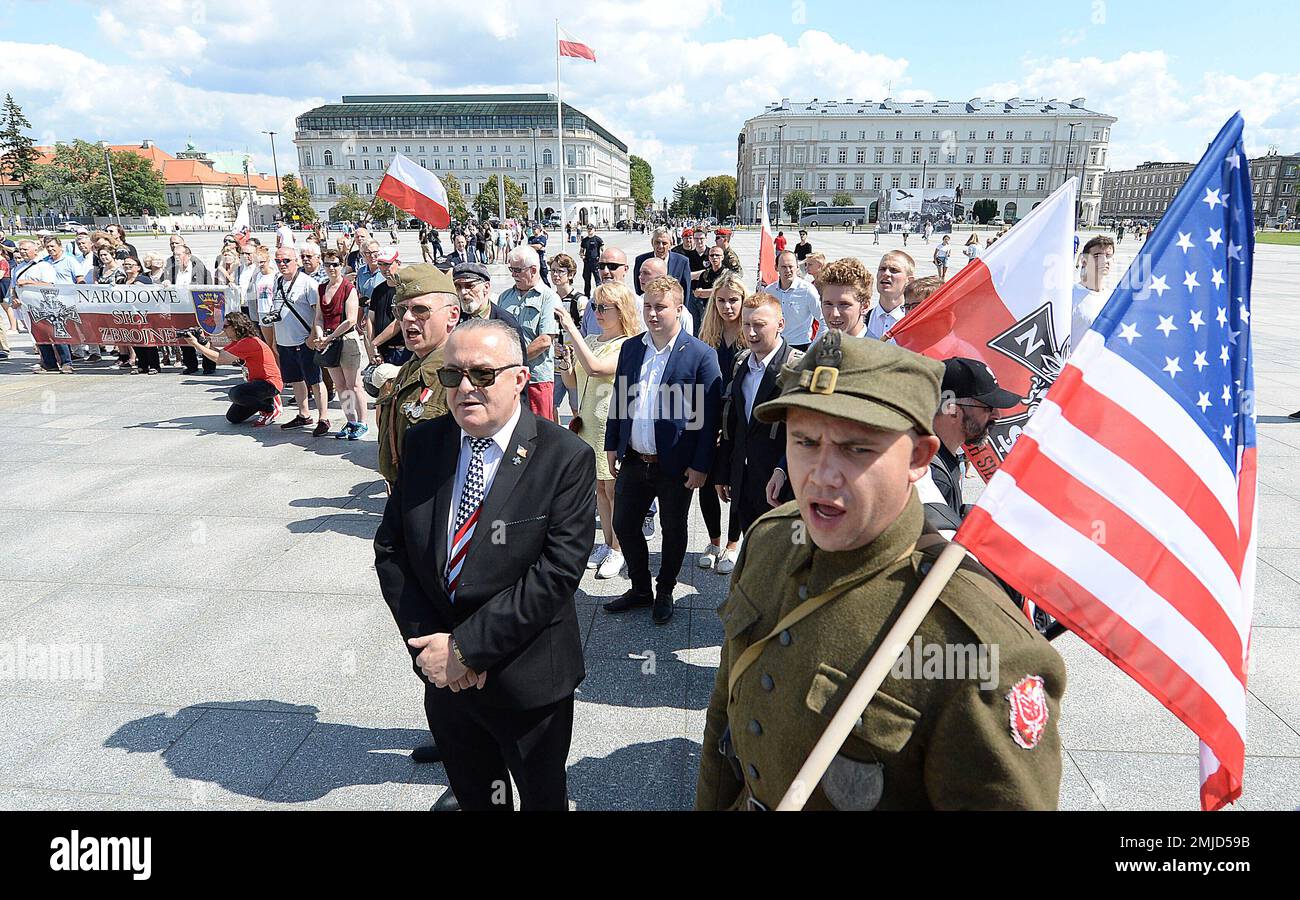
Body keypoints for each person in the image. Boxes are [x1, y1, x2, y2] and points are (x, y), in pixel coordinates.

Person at [695, 332, 1066, 811]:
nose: (821, 475)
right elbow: (725, 721)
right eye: (804, 441)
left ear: (918, 457)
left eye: (856, 449)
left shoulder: (980, 643)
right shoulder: (770, 539)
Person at [373, 318, 594, 812]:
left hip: (526, 681)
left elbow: (556, 573)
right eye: (452, 376)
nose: (465, 388)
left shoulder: (566, 457)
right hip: (444, 676)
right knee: (478, 798)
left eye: (483, 374)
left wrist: (468, 649)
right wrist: (435, 647)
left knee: (542, 799)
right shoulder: (426, 442)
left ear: (520, 378)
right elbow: (392, 549)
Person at [603, 274, 722, 624]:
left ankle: (665, 588)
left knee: (673, 530)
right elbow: (619, 399)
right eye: (648, 307)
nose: (652, 315)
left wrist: (701, 464)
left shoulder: (700, 354)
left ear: (679, 309)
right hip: (634, 459)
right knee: (623, 524)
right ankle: (641, 588)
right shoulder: (631, 348)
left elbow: (707, 417)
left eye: (661, 308)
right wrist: (612, 442)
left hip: (675, 464)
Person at [556, 281, 640, 580]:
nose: (597, 312)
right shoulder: (591, 339)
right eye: (595, 306)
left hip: (609, 423)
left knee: (614, 489)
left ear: (622, 310)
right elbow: (573, 383)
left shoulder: (628, 344)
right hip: (588, 422)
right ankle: (607, 543)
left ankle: (619, 549)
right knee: (599, 490)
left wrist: (570, 328)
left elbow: (595, 369)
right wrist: (564, 363)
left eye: (603, 307)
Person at [714, 291, 803, 541]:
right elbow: (733, 423)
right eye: (746, 325)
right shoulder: (741, 363)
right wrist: (724, 472)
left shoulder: (798, 367)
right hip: (745, 481)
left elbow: (804, 432)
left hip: (783, 485)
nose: (751, 333)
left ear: (780, 325)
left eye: (759, 325)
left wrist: (783, 471)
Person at [375, 264, 462, 487]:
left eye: (420, 310)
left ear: (452, 315)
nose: (408, 319)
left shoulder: (458, 375)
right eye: (401, 311)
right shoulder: (409, 369)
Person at [918, 357, 1020, 537]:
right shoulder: (932, 475)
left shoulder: (937, 458)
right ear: (953, 409)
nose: (997, 414)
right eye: (988, 407)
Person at [696, 271, 749, 573]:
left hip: (740, 418)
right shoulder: (708, 336)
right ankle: (714, 541)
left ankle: (732, 543)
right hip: (711, 417)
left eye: (734, 300)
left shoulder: (749, 333)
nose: (727, 307)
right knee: (706, 482)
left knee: (737, 482)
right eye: (721, 301)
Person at [268, 247, 331, 435]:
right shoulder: (278, 281)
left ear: (296, 261)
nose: (282, 264)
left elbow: (318, 313)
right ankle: (304, 414)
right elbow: (276, 311)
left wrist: (312, 337)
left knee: (315, 380)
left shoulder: (307, 283)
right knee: (295, 379)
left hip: (304, 340)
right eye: (278, 261)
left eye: (286, 260)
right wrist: (274, 340)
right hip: (285, 340)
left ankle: (324, 417)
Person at [183, 313, 284, 425]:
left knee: (236, 393)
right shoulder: (240, 341)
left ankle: (269, 409)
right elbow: (219, 353)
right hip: (258, 383)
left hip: (269, 383)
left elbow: (220, 359)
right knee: (233, 417)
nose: (223, 329)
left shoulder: (249, 342)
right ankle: (267, 401)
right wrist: (202, 340)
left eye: (226, 326)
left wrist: (196, 345)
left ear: (236, 326)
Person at [497, 246, 561, 421]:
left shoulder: (549, 298)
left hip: (536, 379)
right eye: (511, 269)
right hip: (509, 378)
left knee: (540, 432)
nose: (513, 274)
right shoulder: (505, 297)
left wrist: (515, 360)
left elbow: (545, 340)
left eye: (517, 270)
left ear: (533, 270)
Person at [312, 250, 368, 440]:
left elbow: (351, 320)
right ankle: (351, 420)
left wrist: (329, 337)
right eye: (328, 264)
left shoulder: (348, 288)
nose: (331, 268)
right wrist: (320, 336)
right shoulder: (321, 288)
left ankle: (362, 422)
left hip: (347, 340)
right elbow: (319, 318)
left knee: (354, 384)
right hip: (329, 341)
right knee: (340, 385)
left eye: (335, 264)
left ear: (341, 265)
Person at [14, 236, 78, 373]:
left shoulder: (44, 266)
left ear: (35, 250)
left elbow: (49, 285)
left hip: (48, 306)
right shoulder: (18, 268)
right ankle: (49, 363)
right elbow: (15, 286)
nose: (22, 252)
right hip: (29, 308)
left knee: (57, 333)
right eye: (20, 249)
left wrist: (29, 283)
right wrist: (14, 298)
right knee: (40, 336)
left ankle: (66, 362)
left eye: (25, 249)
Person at [450, 261, 530, 364]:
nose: (463, 292)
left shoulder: (506, 323)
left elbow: (520, 365)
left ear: (486, 288)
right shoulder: (452, 319)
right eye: (458, 287)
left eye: (469, 286)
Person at [164, 241, 217, 375]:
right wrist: (165, 282)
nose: (176, 257)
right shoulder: (171, 271)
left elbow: (209, 288)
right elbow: (161, 282)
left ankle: (209, 365)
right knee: (184, 336)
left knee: (203, 336)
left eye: (179, 254)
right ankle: (191, 365)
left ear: (188, 255)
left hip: (198, 308)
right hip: (180, 309)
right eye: (174, 254)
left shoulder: (200, 270)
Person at [549, 252, 586, 418]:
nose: (556, 275)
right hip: (554, 364)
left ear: (570, 274)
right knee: (550, 406)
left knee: (577, 409)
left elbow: (586, 333)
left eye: (560, 271)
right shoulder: (549, 298)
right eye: (553, 271)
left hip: (574, 364)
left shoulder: (580, 301)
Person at [764, 250, 821, 350]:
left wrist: (815, 344)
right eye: (784, 267)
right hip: (775, 346)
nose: (788, 270)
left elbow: (823, 319)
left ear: (797, 267)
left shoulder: (807, 290)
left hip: (801, 346)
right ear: (776, 268)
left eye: (791, 266)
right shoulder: (769, 291)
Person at [366, 247, 410, 367]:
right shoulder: (378, 290)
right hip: (382, 351)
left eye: (387, 264)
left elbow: (398, 322)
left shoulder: (405, 289)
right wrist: (373, 348)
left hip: (402, 350)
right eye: (380, 264)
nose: (384, 269)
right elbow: (370, 319)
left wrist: (375, 343)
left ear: (398, 263)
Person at [1070, 234, 1115, 350]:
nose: (1104, 260)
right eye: (1097, 256)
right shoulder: (1070, 296)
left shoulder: (1113, 299)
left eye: (1108, 256)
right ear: (1084, 261)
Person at [632, 227, 692, 302]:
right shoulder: (641, 260)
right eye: (657, 242)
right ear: (652, 243)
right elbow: (639, 290)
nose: (660, 246)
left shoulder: (682, 262)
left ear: (671, 244)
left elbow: (685, 290)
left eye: (664, 243)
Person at [864, 251, 914, 340]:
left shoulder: (913, 322)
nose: (886, 274)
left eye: (894, 270)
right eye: (882, 269)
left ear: (909, 281)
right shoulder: (862, 321)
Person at [638, 256, 693, 334]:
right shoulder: (637, 302)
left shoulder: (679, 311)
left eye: (646, 273)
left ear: (661, 277)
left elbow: (687, 341)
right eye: (640, 273)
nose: (640, 277)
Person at [579, 225, 604, 296]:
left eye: (591, 229)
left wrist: (601, 259)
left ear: (594, 229)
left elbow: (603, 250)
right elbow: (581, 250)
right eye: (588, 229)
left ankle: (599, 295)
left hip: (596, 263)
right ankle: (587, 295)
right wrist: (582, 256)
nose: (589, 230)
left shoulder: (598, 239)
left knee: (598, 281)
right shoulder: (584, 240)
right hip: (587, 263)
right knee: (587, 280)